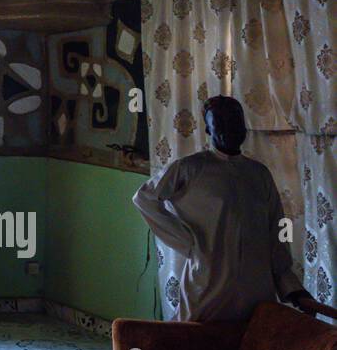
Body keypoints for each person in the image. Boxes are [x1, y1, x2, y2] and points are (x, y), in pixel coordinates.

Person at [133, 95, 323, 322]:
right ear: (208, 130)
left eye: (235, 122)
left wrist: (291, 287)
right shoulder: (190, 168)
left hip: (256, 293)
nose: (229, 129)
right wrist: (189, 243)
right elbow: (145, 198)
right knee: (198, 349)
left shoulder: (259, 174)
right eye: (220, 124)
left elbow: (277, 232)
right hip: (209, 287)